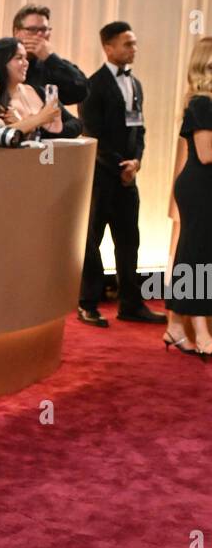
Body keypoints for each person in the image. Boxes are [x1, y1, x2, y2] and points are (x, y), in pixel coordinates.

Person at [77, 21, 165, 326]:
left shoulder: (136, 84)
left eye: (134, 43)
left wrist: (136, 162)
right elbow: (93, 134)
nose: (134, 49)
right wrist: (121, 167)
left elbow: (139, 130)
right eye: (128, 44)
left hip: (129, 177)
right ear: (108, 47)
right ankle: (87, 302)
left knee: (130, 241)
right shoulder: (93, 85)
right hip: (102, 178)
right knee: (92, 240)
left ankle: (131, 303)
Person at [162, 37, 212, 355]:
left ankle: (175, 325)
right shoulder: (203, 103)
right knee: (197, 256)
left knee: (194, 254)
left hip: (201, 184)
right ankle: (199, 327)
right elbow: (207, 154)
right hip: (201, 185)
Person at [0, 37, 81, 138]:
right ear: (1, 61)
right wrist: (36, 123)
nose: (26, 63)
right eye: (19, 58)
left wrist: (35, 127)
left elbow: (76, 124)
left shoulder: (38, 91)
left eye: (25, 58)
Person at [11, 4, 88, 107]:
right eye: (32, 29)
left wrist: (51, 58)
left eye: (44, 30)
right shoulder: (4, 61)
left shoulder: (52, 65)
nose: (39, 35)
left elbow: (82, 92)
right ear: (17, 32)